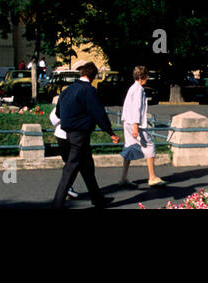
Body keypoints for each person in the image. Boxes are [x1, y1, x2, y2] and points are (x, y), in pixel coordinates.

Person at [51, 60, 119, 209]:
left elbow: (57, 112)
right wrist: (110, 132)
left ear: (81, 73)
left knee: (88, 169)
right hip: (80, 134)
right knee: (70, 169)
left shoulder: (67, 90)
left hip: (67, 133)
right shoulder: (88, 90)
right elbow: (98, 113)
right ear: (93, 76)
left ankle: (98, 200)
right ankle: (57, 203)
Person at [120, 66, 163, 188]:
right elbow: (137, 108)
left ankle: (123, 177)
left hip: (127, 122)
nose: (147, 78)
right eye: (146, 76)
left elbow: (128, 107)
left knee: (129, 147)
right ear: (141, 77)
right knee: (150, 146)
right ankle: (152, 177)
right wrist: (135, 126)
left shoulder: (132, 88)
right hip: (135, 123)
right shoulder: (139, 90)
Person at [48, 94, 79, 199]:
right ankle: (67, 188)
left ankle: (68, 187)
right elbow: (53, 119)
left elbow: (53, 119)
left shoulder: (62, 103)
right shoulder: (74, 104)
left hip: (62, 136)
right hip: (67, 137)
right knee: (71, 163)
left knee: (71, 163)